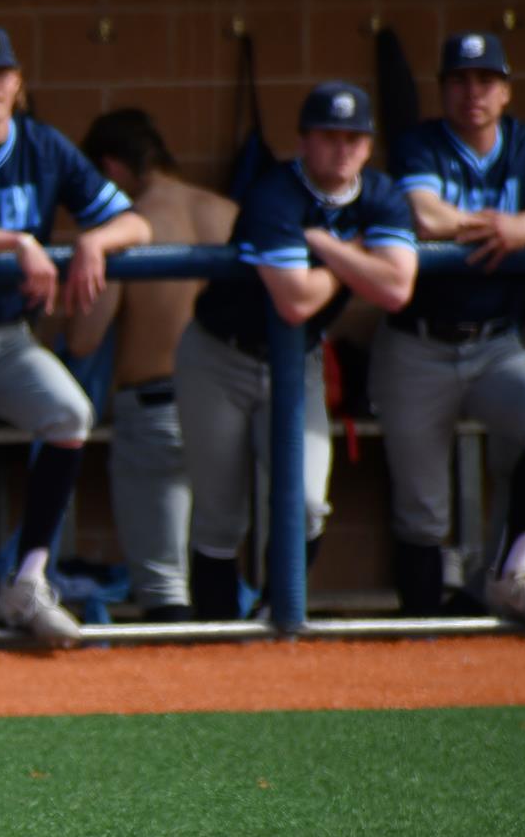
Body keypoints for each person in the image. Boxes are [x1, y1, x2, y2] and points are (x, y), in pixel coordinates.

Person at [0, 25, 152, 645]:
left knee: (69, 414)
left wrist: (92, 238)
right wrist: (17, 243)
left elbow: (135, 224)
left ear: (18, 83)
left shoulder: (42, 145)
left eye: (1, 74)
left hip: (11, 334)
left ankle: (28, 580)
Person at [179, 82, 417, 618]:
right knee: (220, 515)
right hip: (220, 356)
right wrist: (357, 259)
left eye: (353, 137)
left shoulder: (380, 194)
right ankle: (213, 642)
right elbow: (295, 300)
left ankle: (274, 616)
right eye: (328, 135)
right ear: (304, 140)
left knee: (309, 502)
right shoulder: (274, 193)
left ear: (368, 143)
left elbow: (398, 289)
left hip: (298, 360)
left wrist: (329, 247)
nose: (342, 148)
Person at [380, 33, 525, 629]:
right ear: (443, 89)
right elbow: (425, 215)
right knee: (421, 510)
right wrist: (497, 227)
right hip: (416, 343)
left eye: (485, 80)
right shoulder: (420, 142)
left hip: (497, 343)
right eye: (459, 80)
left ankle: (510, 572)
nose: (472, 92)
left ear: (505, 91)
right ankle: (423, 644)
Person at [70, 109, 238, 623]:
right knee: (222, 563)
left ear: (112, 169)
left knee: (165, 586)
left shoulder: (127, 227)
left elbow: (83, 337)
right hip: (234, 408)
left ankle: (186, 701)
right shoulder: (229, 212)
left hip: (157, 407)